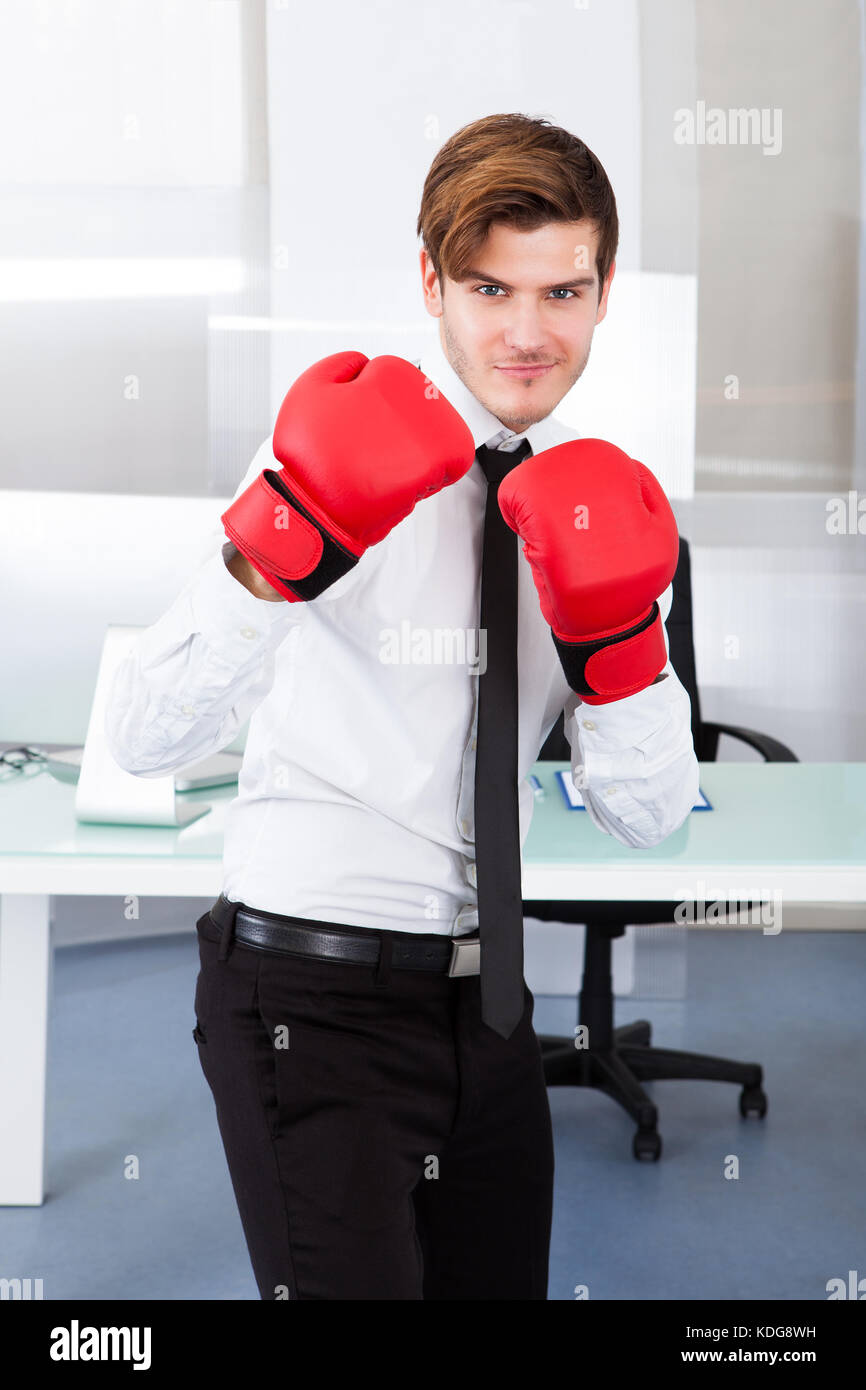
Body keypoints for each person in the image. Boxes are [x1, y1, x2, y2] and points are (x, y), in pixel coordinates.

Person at [106, 112, 699, 1301]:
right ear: (429, 279)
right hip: (304, 997)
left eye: (562, 291)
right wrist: (282, 541)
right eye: (489, 287)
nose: (527, 333)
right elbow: (146, 737)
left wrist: (619, 637)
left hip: (489, 1012)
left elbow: (649, 819)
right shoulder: (329, 457)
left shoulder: (598, 504)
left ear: (603, 288)